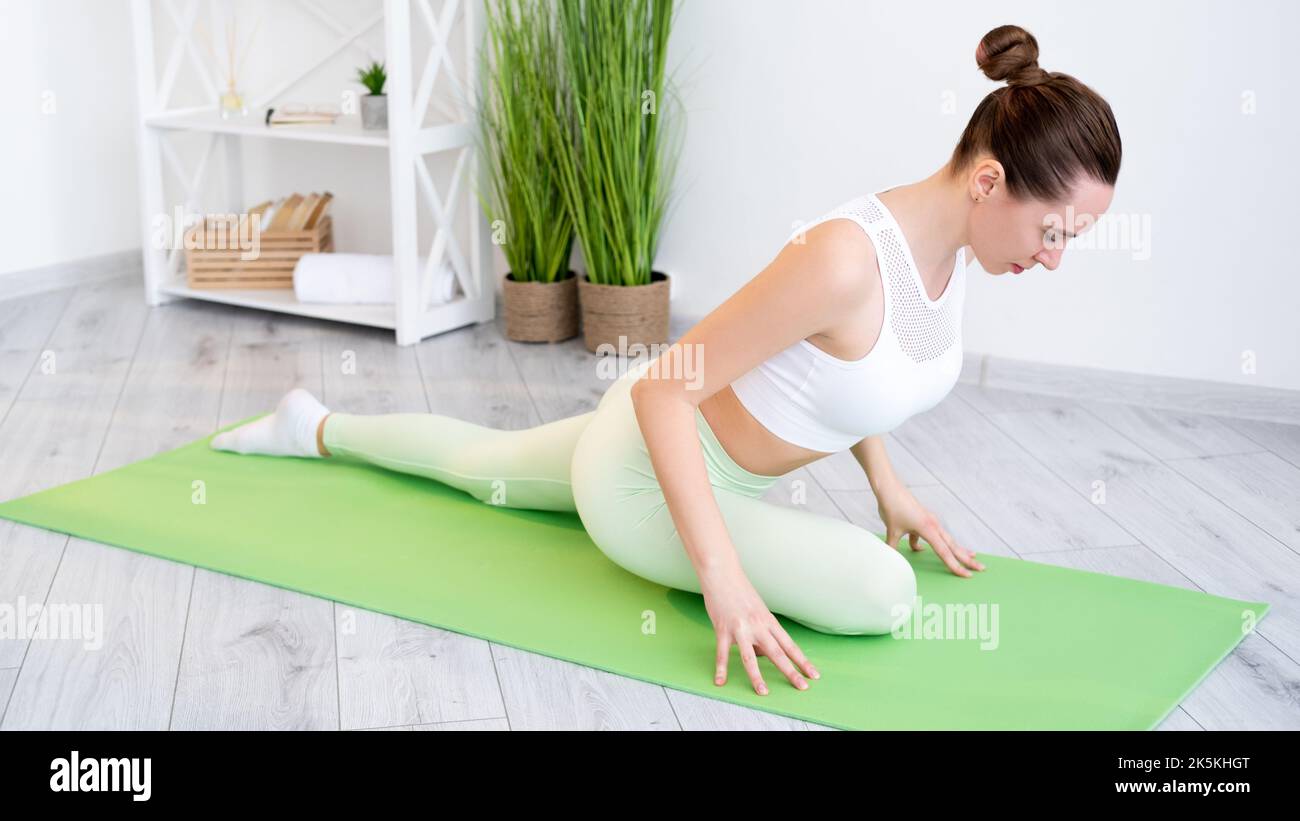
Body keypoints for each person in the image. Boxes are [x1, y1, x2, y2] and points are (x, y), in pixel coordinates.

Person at [210, 24, 1121, 698]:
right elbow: (663, 391)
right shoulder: (846, 258)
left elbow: (857, 375)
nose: (1053, 258)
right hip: (648, 475)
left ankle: (314, 426)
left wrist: (888, 486)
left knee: (478, 464)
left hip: (690, 471)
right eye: (1053, 232)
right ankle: (321, 429)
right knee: (882, 594)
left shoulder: (956, 249)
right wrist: (722, 577)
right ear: (990, 180)